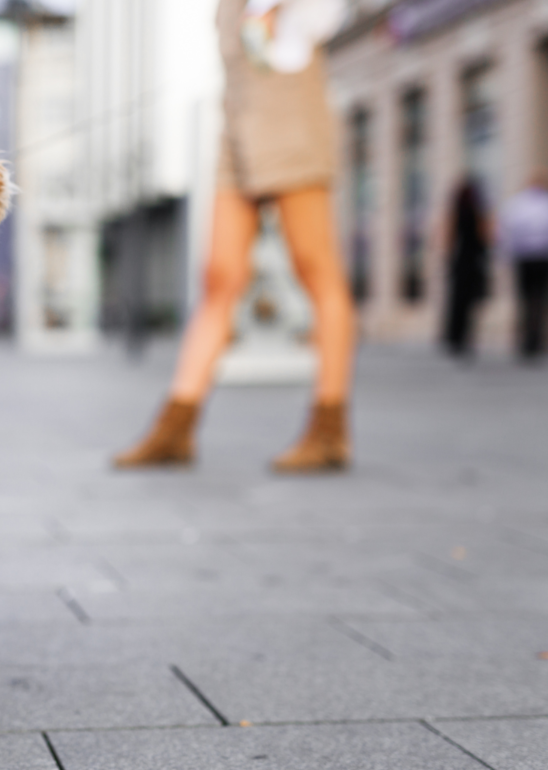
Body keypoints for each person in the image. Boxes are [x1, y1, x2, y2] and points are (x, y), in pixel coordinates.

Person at [114, 0, 356, 473]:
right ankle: (177, 425)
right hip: (237, 136)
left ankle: (330, 428)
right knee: (219, 278)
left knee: (318, 271)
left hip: (291, 130)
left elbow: (327, 17)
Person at [499, 170, 548, 360]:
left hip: (541, 256)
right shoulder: (522, 204)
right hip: (527, 256)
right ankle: (529, 339)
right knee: (529, 299)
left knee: (539, 298)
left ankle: (537, 339)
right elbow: (508, 232)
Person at [441, 178, 491, 358]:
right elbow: (485, 238)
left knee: (457, 302)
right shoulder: (478, 213)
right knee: (468, 303)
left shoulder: (457, 212)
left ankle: (455, 337)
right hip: (472, 261)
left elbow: (449, 238)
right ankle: (463, 338)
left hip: (460, 260)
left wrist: (448, 258)